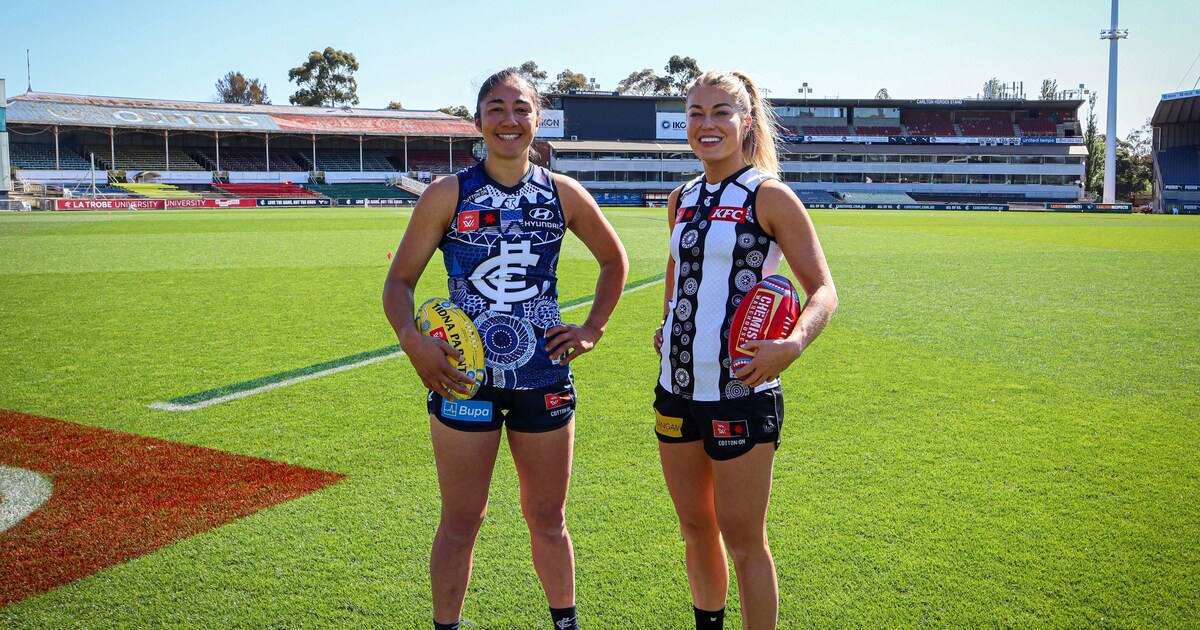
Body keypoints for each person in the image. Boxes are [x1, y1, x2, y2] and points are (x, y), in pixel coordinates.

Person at [382, 68, 628, 630]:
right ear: (478, 122)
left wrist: (593, 327)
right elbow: (399, 284)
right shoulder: (449, 193)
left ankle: (564, 623)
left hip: (543, 378)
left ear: (537, 121)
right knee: (461, 520)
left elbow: (615, 261)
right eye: (496, 108)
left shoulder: (563, 193)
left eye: (521, 108)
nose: (509, 119)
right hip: (463, 382)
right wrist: (412, 342)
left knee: (547, 517)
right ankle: (446, 625)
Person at [652, 71, 838, 629]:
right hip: (675, 389)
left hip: (741, 393)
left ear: (746, 122)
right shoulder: (681, 197)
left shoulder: (770, 196)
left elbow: (823, 290)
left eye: (720, 113)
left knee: (745, 541)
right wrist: (667, 323)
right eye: (696, 114)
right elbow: (676, 269)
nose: (706, 125)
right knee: (695, 529)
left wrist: (794, 343)